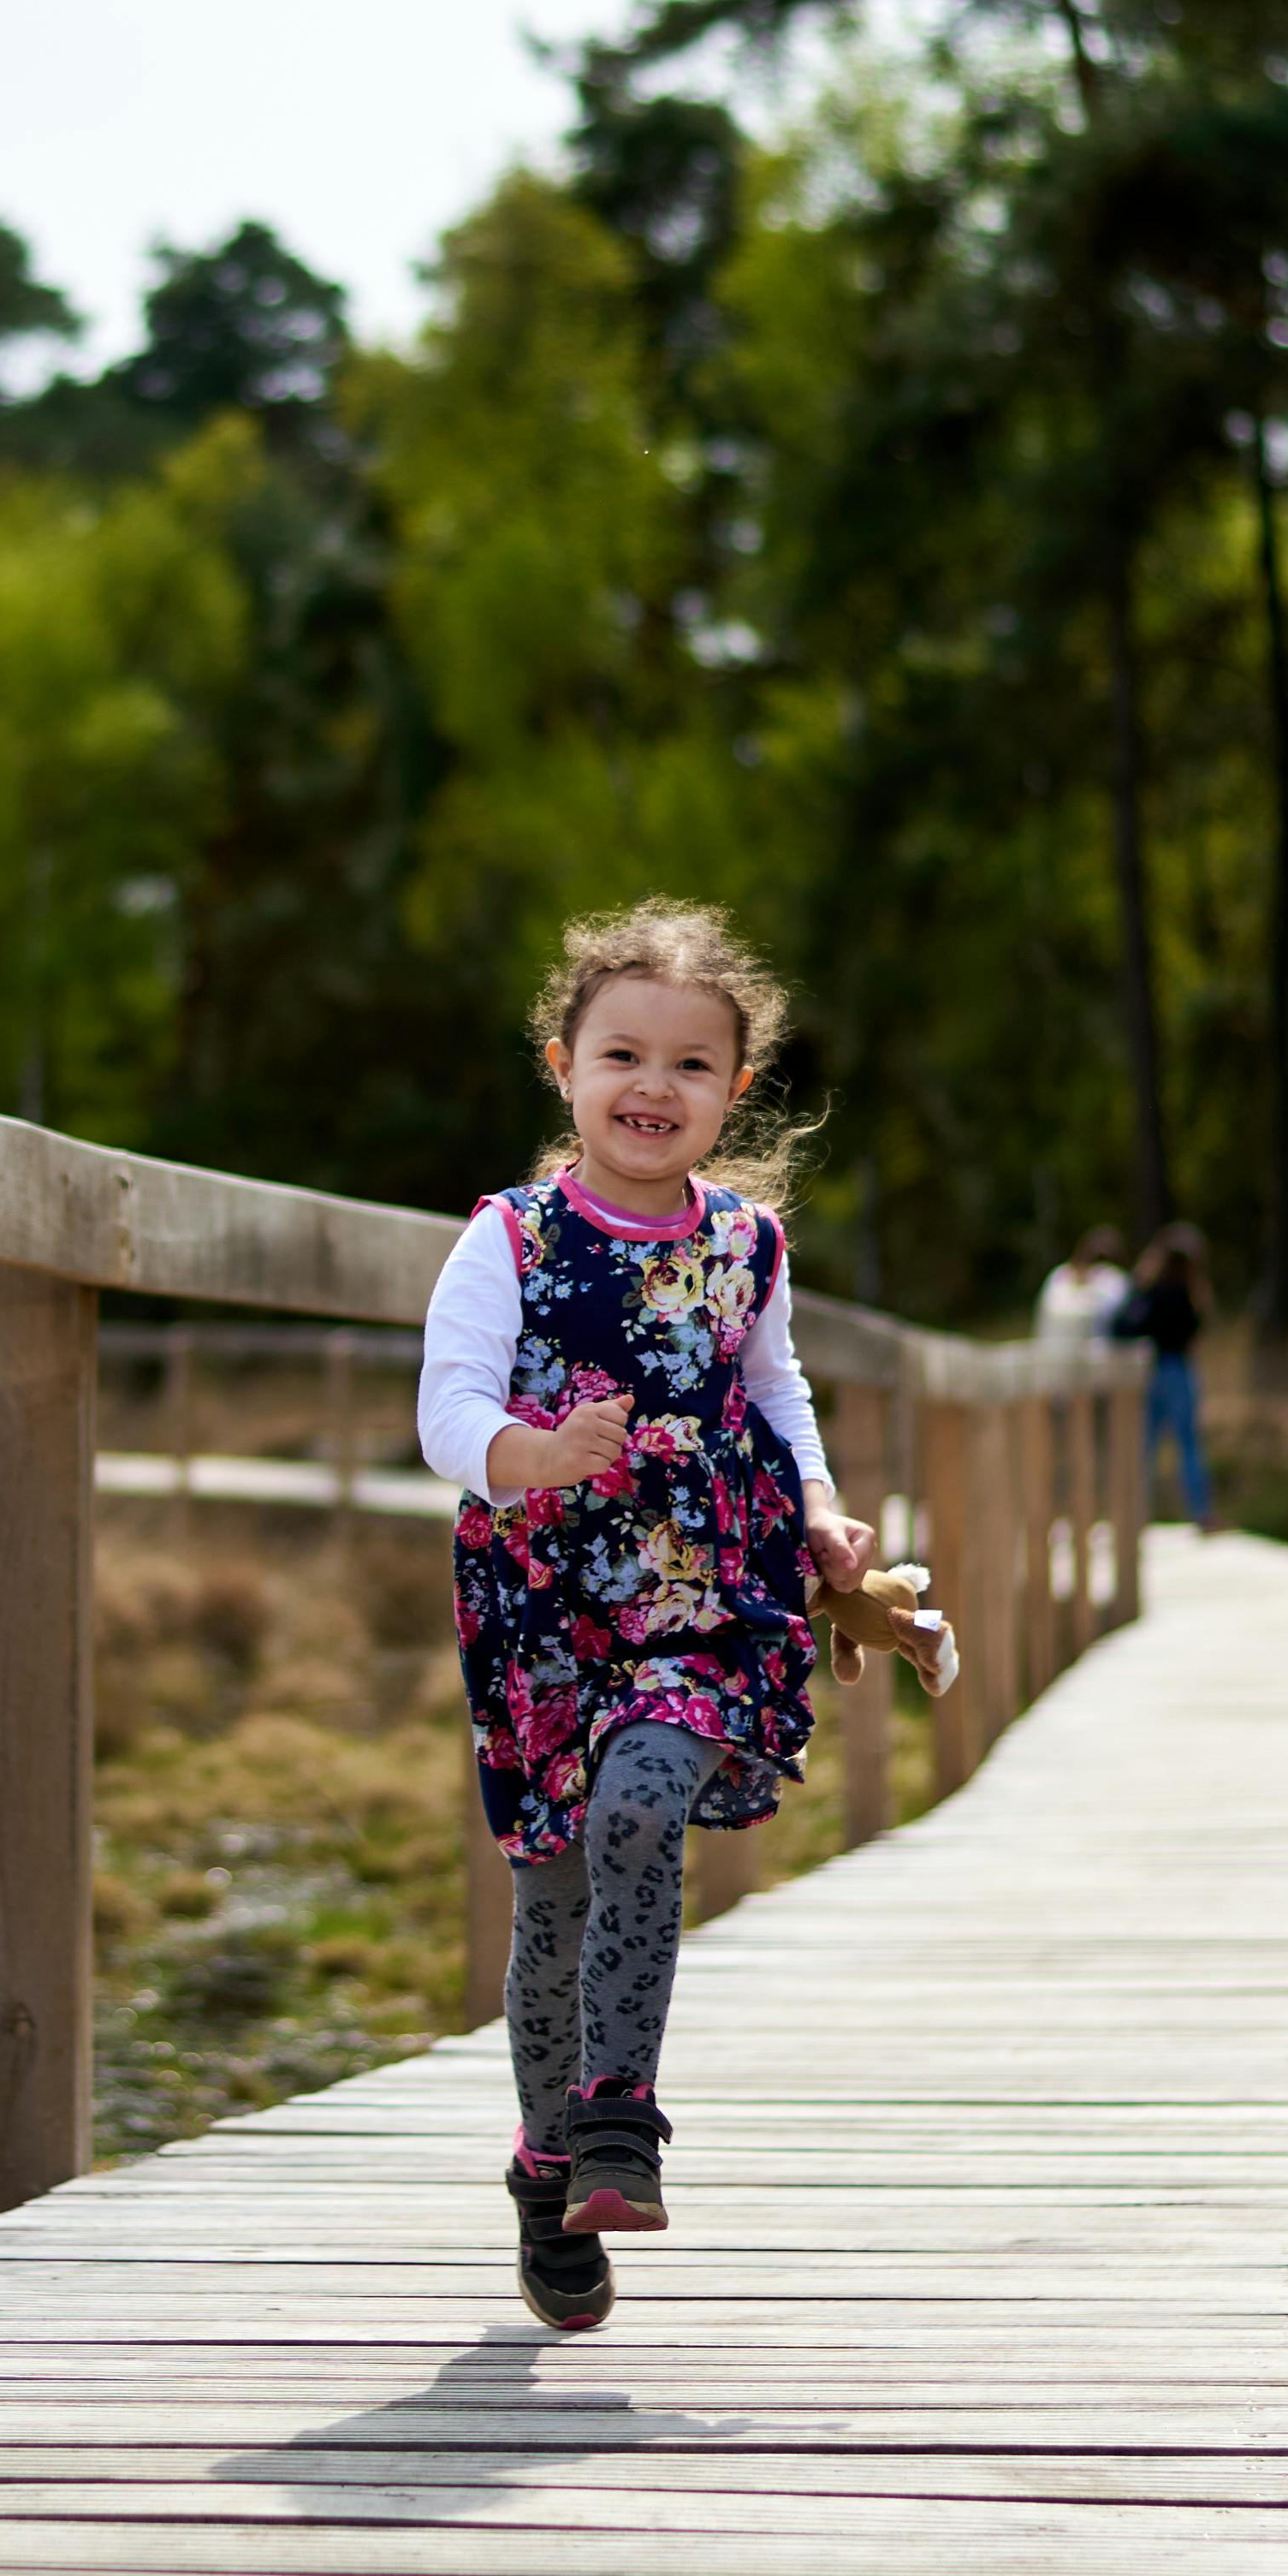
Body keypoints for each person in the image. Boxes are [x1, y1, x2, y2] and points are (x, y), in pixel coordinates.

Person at [418, 899, 874, 2336]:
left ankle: (619, 2119)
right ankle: (545, 2154)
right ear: (562, 1065)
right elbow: (444, 1406)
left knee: (645, 1798)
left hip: (696, 1589)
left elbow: (769, 1388)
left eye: (688, 1064)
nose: (650, 1087)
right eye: (621, 1053)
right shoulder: (508, 1238)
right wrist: (526, 1454)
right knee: (549, 1890)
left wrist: (816, 1501)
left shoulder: (747, 1243)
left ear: (730, 1091)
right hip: (545, 1606)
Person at [1115, 1223, 1215, 1530]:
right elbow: (1200, 1329)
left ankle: (1136, 1512)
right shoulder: (1187, 1293)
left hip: (1154, 1372)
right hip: (1178, 1371)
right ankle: (1202, 1513)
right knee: (1188, 1444)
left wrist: (1138, 1283)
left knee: (1148, 1446)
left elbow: (1123, 1327)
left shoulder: (1153, 1293)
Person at [1036, 1225, 1130, 1347]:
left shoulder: (1115, 1279)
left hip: (1099, 1355)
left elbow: (1108, 1311)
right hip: (1057, 1352)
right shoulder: (1060, 1275)